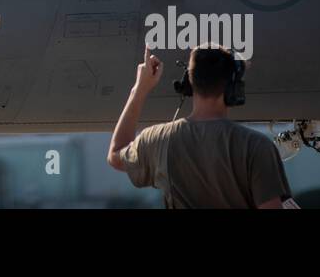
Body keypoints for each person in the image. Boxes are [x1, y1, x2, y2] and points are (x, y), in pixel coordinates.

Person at [106, 44, 295, 209]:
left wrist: (139, 89)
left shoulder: (158, 139)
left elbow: (116, 156)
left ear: (189, 84)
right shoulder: (257, 146)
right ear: (233, 86)